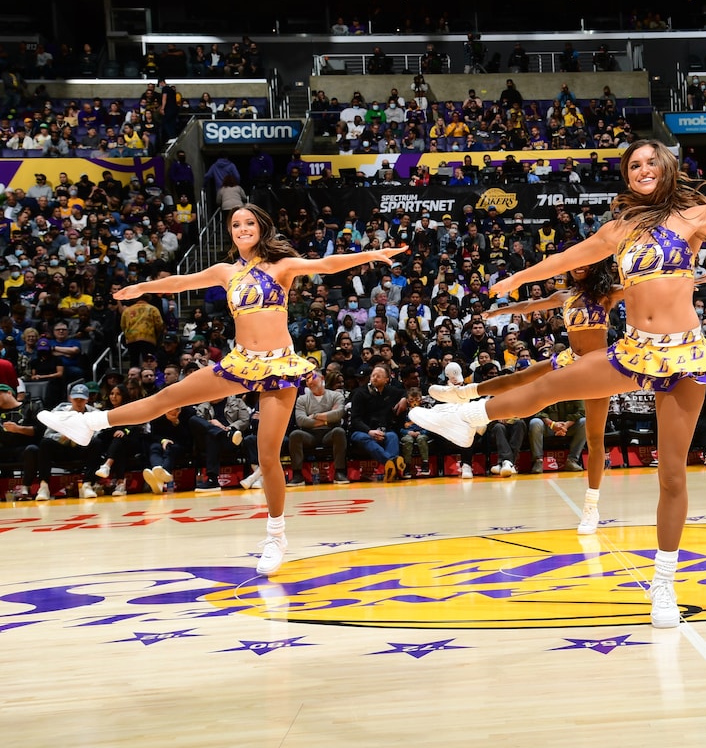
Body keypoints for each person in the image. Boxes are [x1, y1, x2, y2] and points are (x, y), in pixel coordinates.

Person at [411, 141, 706, 627]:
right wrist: (516, 280)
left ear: (666, 168)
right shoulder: (618, 230)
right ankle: (468, 418)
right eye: (635, 165)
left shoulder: (692, 218)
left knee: (671, 473)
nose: (644, 169)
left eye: (652, 162)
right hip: (634, 348)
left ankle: (665, 585)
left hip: (686, 352)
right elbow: (567, 257)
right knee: (554, 383)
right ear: (626, 176)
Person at [38, 205, 406, 575]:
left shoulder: (283, 266)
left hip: (278, 365)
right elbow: (182, 283)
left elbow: (325, 265)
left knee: (266, 458)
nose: (242, 228)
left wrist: (370, 255)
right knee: (169, 396)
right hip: (240, 361)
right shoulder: (225, 271)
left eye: (248, 223)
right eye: (235, 225)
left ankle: (276, 536)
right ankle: (89, 422)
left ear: (261, 228)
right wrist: (144, 288)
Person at [431, 260, 618, 533]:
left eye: (584, 263)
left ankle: (591, 506)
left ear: (594, 267)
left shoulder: (607, 292)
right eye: (575, 263)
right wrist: (499, 311)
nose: (578, 266)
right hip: (571, 358)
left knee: (595, 439)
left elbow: (643, 288)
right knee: (519, 378)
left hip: (599, 366)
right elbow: (529, 306)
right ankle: (462, 393)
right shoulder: (564, 296)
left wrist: (681, 282)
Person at [287, 372, 350, 486]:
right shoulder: (302, 399)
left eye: (312, 378)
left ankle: (340, 472)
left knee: (339, 432)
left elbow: (338, 414)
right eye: (307, 380)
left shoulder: (336, 396)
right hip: (310, 435)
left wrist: (315, 415)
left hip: (330, 433)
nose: (310, 382)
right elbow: (301, 420)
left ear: (322, 378)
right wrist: (327, 418)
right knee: (295, 434)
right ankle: (297, 475)